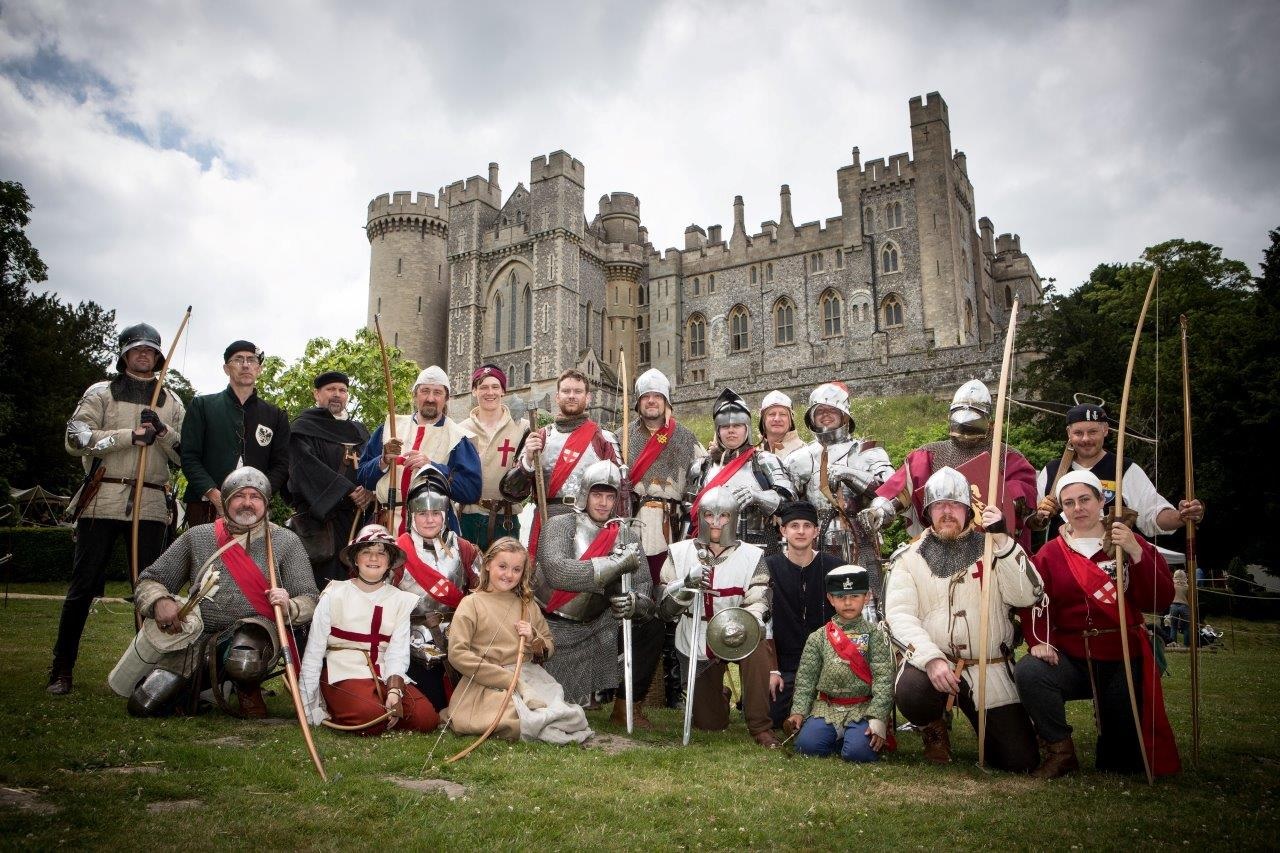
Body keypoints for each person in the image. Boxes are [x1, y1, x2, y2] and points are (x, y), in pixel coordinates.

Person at [49, 323, 186, 695]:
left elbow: (183, 454)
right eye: (137, 349)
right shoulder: (101, 392)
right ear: (125, 354)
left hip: (152, 504)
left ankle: (145, 673)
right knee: (81, 588)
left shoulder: (171, 400)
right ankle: (61, 670)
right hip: (103, 501)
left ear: (159, 356)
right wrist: (129, 436)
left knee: (149, 592)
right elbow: (75, 438)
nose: (144, 355)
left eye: (151, 350)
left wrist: (162, 432)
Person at [1016, 470, 1180, 778]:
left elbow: (1159, 600)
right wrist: (1040, 641)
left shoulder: (1130, 542)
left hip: (1122, 656)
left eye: (1084, 500)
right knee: (1030, 672)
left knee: (1120, 763)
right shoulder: (1050, 552)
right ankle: (1060, 750)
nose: (1077, 508)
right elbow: (1035, 603)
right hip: (1072, 657)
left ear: (1101, 500)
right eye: (1068, 503)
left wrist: (1134, 550)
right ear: (1061, 509)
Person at [883, 466, 1042, 771]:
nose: (946, 512)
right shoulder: (908, 558)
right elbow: (899, 616)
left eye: (954, 504)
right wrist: (931, 659)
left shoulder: (995, 549)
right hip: (934, 666)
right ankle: (933, 726)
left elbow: (1027, 596)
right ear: (928, 512)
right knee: (912, 689)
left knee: (1018, 761)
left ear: (969, 510)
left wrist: (1004, 542)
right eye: (939, 505)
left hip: (988, 667)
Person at [131, 467, 318, 718]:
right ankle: (194, 692)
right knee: (144, 704)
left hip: (257, 633)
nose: (247, 503)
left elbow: (309, 597)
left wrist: (289, 606)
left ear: (265, 502)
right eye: (240, 496)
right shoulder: (197, 537)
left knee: (246, 648)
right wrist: (159, 600)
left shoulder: (285, 541)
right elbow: (150, 579)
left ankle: (247, 687)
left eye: (255, 497)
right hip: (198, 635)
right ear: (227, 500)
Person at [534, 460, 657, 725]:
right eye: (597, 494)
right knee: (552, 702)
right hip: (551, 623)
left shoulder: (626, 536)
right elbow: (557, 572)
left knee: (652, 626)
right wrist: (613, 564)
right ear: (585, 494)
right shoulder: (560, 525)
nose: (603, 503)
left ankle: (626, 706)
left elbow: (644, 585)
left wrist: (635, 603)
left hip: (599, 625)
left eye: (610, 496)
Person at [658, 486, 778, 748]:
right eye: (710, 515)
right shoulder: (679, 553)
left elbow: (760, 599)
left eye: (723, 516)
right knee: (709, 723)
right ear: (700, 517)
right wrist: (685, 586)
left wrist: (749, 622)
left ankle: (760, 727)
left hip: (738, 630)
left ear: (733, 518)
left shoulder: (752, 556)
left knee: (757, 649)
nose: (715, 523)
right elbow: (665, 609)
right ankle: (718, 695)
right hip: (696, 635)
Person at [444, 538, 592, 745]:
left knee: (570, 716)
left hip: (529, 675)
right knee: (514, 719)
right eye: (502, 566)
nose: (508, 574)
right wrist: (508, 681)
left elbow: (548, 647)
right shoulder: (471, 604)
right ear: (488, 564)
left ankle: (541, 720)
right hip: (487, 680)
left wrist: (534, 640)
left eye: (516, 569)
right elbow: (457, 654)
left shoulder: (527, 605)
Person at [862, 379, 1038, 549]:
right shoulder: (929, 455)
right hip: (940, 544)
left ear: (991, 424)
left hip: (990, 544)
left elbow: (1020, 503)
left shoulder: (1008, 458)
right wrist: (881, 511)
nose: (965, 424)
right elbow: (901, 491)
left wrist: (1011, 504)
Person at [299, 524, 440, 734]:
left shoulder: (400, 600)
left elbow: (398, 652)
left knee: (426, 719)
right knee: (371, 719)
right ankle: (346, 704)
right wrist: (308, 706)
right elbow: (313, 652)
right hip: (344, 672)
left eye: (381, 553)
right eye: (366, 552)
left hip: (383, 672)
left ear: (390, 561)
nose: (373, 559)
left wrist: (394, 690)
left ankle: (380, 708)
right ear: (356, 558)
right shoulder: (334, 594)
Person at [626, 368, 705, 708]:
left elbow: (701, 481)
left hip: (670, 526)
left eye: (657, 397)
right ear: (639, 402)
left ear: (666, 401)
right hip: (631, 524)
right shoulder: (623, 437)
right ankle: (625, 684)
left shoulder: (685, 437)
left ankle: (671, 687)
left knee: (670, 598)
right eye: (646, 397)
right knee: (629, 596)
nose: (652, 402)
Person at [786, 382, 895, 616]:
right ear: (811, 418)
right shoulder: (798, 459)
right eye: (820, 411)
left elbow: (893, 491)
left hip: (860, 537)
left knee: (869, 610)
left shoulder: (867, 451)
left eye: (832, 410)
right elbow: (789, 506)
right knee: (817, 609)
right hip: (815, 543)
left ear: (844, 415)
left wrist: (850, 474)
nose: (826, 416)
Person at [1030, 401, 1205, 540]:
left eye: (1092, 432)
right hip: (1063, 566)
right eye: (1078, 433)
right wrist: (1039, 514)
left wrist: (1181, 516)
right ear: (1069, 433)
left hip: (1113, 568)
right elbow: (1031, 522)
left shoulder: (1125, 469)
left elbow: (1153, 514)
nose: (1085, 439)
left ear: (1105, 430)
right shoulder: (1052, 470)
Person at [500, 368, 620, 563]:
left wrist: (615, 535)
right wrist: (528, 460)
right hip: (546, 521)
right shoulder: (539, 437)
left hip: (589, 526)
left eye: (578, 391)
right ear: (557, 397)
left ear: (588, 397)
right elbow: (513, 493)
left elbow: (620, 492)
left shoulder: (603, 439)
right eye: (566, 391)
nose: (571, 396)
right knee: (542, 585)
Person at [392, 468, 482, 712]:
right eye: (422, 513)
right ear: (412, 515)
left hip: (459, 636)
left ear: (445, 515)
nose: (429, 519)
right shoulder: (396, 552)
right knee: (430, 705)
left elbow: (483, 595)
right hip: (413, 639)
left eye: (435, 513)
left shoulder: (464, 549)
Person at [356, 365, 482, 537]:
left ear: (447, 398)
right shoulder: (389, 427)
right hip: (387, 525)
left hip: (434, 529)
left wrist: (432, 468)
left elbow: (471, 491)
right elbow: (363, 477)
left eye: (437, 392)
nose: (430, 398)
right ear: (415, 395)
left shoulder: (458, 438)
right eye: (425, 391)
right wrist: (383, 460)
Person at [787, 564, 894, 763]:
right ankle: (842, 736)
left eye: (855, 596)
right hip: (827, 707)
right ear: (830, 599)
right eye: (840, 597)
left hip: (863, 708)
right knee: (806, 747)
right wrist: (799, 712)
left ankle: (852, 738)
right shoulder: (818, 637)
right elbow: (806, 679)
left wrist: (878, 718)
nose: (847, 603)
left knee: (858, 754)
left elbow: (884, 679)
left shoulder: (876, 635)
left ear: (867, 597)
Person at [181, 341, 290, 526]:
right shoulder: (202, 406)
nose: (246, 365)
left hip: (255, 509)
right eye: (238, 359)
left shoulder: (276, 415)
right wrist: (215, 496)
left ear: (259, 368)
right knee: (205, 554)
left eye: (251, 360)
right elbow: (189, 457)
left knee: (252, 556)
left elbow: (281, 464)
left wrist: (259, 496)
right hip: (205, 506)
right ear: (226, 368)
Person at [284, 370, 373, 589]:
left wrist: (369, 492)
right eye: (330, 389)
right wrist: (346, 490)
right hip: (321, 523)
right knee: (324, 586)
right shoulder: (303, 427)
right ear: (316, 394)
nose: (337, 395)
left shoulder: (359, 431)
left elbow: (372, 464)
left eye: (342, 390)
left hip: (357, 519)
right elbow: (303, 466)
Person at [763, 500, 844, 728]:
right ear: (783, 530)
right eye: (794, 525)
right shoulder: (768, 567)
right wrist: (771, 669)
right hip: (784, 665)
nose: (800, 531)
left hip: (826, 662)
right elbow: (762, 623)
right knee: (771, 716)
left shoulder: (834, 568)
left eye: (807, 525)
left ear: (816, 531)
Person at [687, 388, 794, 556]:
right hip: (711, 546)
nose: (731, 430)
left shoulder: (764, 461)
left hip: (757, 544)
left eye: (737, 425)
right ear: (718, 430)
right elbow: (689, 511)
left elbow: (788, 501)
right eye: (725, 426)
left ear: (746, 429)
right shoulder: (702, 466)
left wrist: (757, 496)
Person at [456, 365, 529, 550]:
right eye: (483, 387)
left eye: (495, 387)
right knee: (468, 576)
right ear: (474, 391)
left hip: (506, 518)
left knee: (504, 576)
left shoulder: (523, 428)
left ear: (503, 390)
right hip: (468, 517)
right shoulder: (460, 429)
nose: (490, 392)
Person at [758, 390, 804, 461]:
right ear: (763, 419)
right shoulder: (755, 454)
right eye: (772, 414)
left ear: (790, 420)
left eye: (783, 414)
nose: (777, 419)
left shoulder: (803, 451)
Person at [1168, 568, 1192, 649]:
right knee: (1186, 627)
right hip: (1184, 606)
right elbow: (1190, 598)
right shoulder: (1187, 586)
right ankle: (1186, 644)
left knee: (1173, 626)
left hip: (1174, 605)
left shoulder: (1172, 585)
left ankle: (1173, 643)